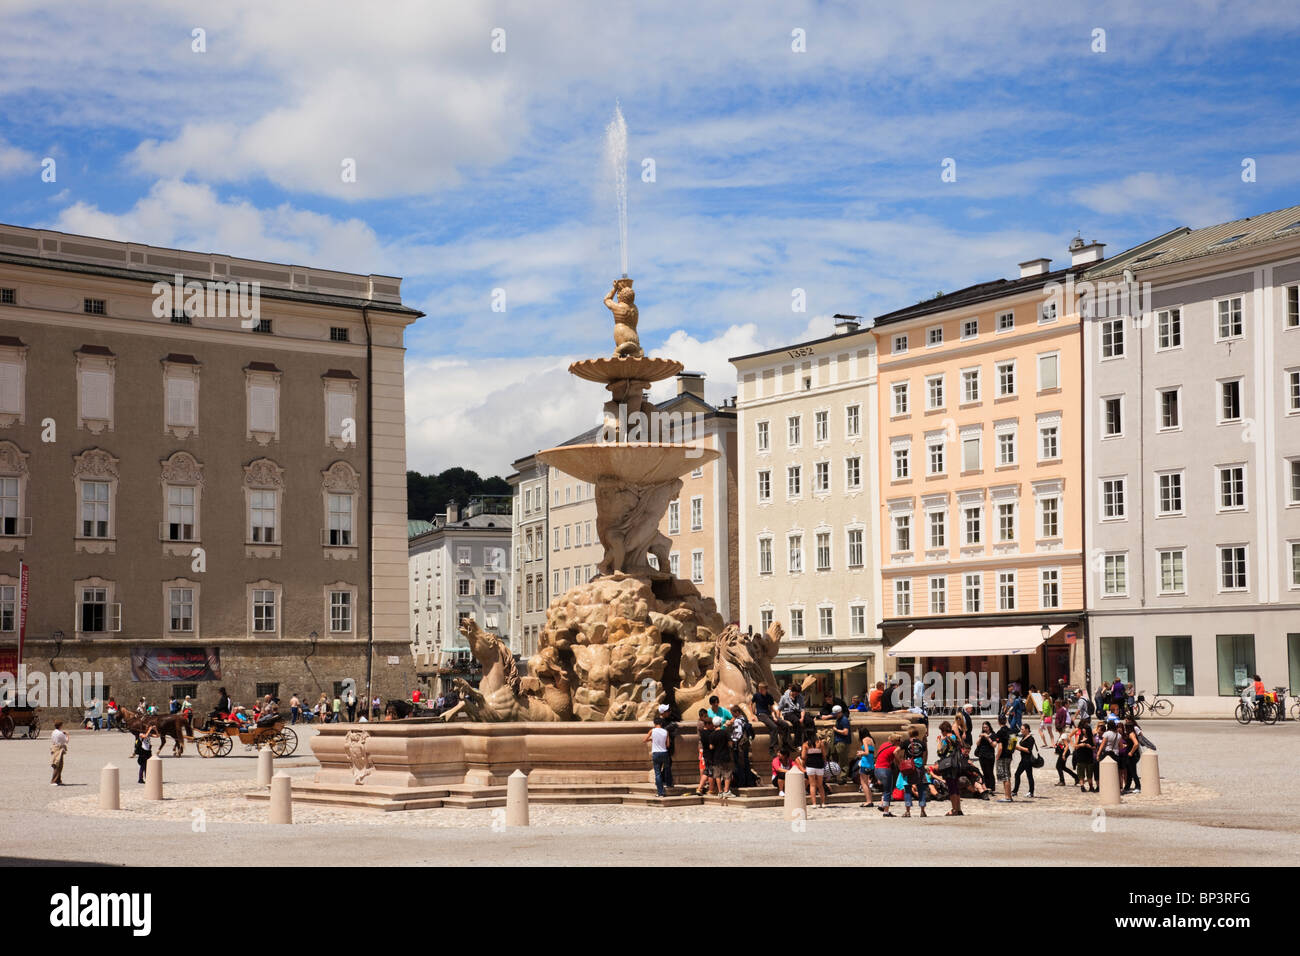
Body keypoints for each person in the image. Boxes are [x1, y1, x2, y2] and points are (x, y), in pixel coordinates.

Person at [935, 720, 963, 816]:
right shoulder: (955, 737)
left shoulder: (946, 739)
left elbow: (940, 752)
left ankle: (954, 809)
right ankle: (959, 809)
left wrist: (939, 742)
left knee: (951, 788)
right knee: (955, 786)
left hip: (948, 765)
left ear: (943, 730)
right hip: (956, 764)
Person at [900, 727, 928, 818]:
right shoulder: (922, 743)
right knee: (921, 788)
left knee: (907, 788)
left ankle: (908, 812)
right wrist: (924, 763)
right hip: (919, 767)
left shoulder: (906, 742)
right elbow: (925, 754)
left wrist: (900, 761)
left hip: (909, 767)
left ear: (909, 734)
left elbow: (895, 751)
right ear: (917, 733)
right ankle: (922, 811)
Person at [875, 733, 902, 816]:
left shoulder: (884, 744)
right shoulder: (895, 748)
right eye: (899, 740)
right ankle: (886, 812)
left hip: (877, 769)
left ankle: (881, 804)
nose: (900, 742)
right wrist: (900, 764)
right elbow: (895, 755)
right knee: (888, 791)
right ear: (896, 741)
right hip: (885, 770)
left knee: (885, 788)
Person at [644, 717, 672, 797]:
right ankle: (669, 784)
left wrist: (651, 740)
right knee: (667, 769)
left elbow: (644, 740)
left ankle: (660, 793)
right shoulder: (666, 731)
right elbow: (668, 745)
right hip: (664, 753)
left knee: (657, 773)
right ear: (661, 724)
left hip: (656, 753)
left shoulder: (652, 731)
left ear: (654, 723)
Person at [801, 730, 828, 808]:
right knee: (820, 785)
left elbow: (803, 757)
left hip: (810, 765)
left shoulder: (805, 744)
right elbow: (824, 755)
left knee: (812, 785)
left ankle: (814, 804)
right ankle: (823, 803)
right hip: (819, 765)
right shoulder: (820, 743)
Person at [708, 716, 734, 796]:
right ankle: (726, 791)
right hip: (725, 756)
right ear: (720, 723)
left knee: (717, 775)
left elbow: (711, 747)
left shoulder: (712, 735)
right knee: (727, 774)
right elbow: (730, 744)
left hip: (716, 757)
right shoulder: (725, 732)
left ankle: (720, 791)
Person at [730, 706, 754, 788]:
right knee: (746, 763)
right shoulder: (744, 719)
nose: (732, 715)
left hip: (739, 745)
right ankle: (749, 781)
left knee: (739, 764)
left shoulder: (737, 720)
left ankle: (741, 782)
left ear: (737, 712)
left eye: (733, 713)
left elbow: (738, 732)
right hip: (745, 744)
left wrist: (733, 740)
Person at [994, 714, 1015, 802]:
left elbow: (1000, 747)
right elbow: (1014, 743)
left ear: (998, 721)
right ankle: (1009, 795)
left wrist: (997, 757)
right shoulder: (1011, 731)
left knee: (1004, 776)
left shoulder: (1000, 732)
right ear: (1006, 721)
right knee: (1008, 775)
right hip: (1009, 755)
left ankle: (1007, 797)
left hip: (1003, 756)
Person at [1012, 727, 1038, 798]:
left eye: (1022, 729)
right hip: (1023, 759)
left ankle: (1030, 792)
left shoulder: (1031, 739)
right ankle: (1015, 791)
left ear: (1027, 729)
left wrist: (1018, 747)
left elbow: (1029, 750)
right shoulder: (1024, 737)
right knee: (1017, 774)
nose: (1021, 730)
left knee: (1028, 776)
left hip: (1028, 760)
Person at [1074, 722, 1097, 792]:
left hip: (1089, 757)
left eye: (1084, 729)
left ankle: (1091, 786)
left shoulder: (1091, 737)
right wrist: (1080, 745)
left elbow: (1095, 747)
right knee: (1081, 773)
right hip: (1080, 757)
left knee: (1089, 773)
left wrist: (1090, 746)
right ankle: (1082, 786)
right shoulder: (1079, 736)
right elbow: (1075, 746)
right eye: (1083, 729)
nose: (1083, 730)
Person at [830, 705, 852, 778]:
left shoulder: (844, 720)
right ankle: (834, 776)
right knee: (834, 759)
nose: (835, 715)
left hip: (842, 742)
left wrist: (836, 730)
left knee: (843, 761)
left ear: (840, 712)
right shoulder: (839, 719)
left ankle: (843, 777)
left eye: (836, 714)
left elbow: (846, 732)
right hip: (837, 742)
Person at [855, 731, 876, 806]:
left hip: (865, 762)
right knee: (867, 782)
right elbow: (871, 752)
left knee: (864, 783)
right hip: (871, 763)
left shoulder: (864, 739)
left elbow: (866, 752)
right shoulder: (871, 740)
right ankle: (870, 800)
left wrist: (861, 753)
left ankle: (868, 801)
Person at [974, 720, 997, 791]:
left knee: (990, 771)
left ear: (989, 727)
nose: (985, 729)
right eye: (983, 727)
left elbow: (994, 745)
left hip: (990, 756)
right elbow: (977, 744)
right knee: (984, 771)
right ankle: (986, 786)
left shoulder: (993, 734)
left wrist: (988, 738)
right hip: (982, 755)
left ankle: (992, 787)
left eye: (986, 727)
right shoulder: (982, 734)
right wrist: (981, 737)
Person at [1121, 719, 1142, 795]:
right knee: (1129, 772)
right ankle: (1127, 787)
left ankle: (1138, 786)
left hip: (1132, 755)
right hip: (1130, 754)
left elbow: (1136, 744)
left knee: (1133, 772)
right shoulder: (1131, 733)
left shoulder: (1131, 734)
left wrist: (1131, 752)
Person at [50, 721, 69, 785]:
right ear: (60, 726)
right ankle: (54, 780)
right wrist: (67, 734)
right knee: (58, 764)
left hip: (54, 747)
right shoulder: (60, 733)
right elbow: (66, 741)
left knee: (59, 764)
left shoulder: (53, 732)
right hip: (59, 748)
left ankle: (58, 780)